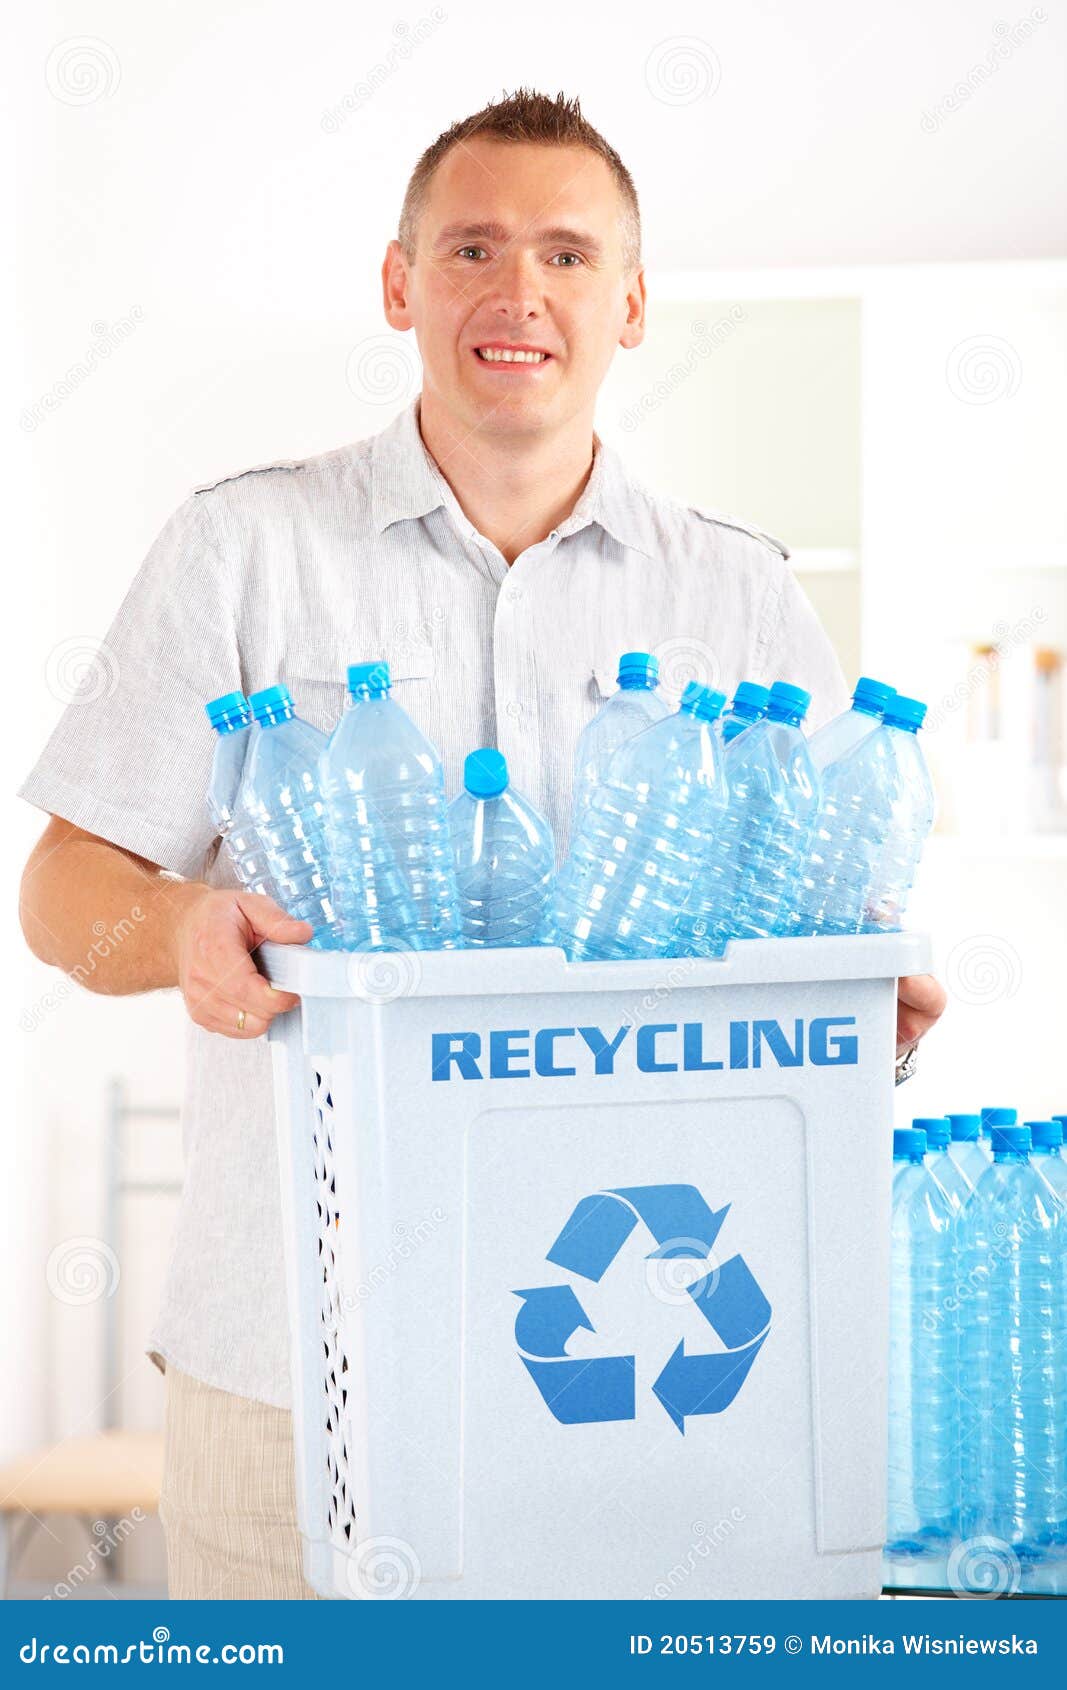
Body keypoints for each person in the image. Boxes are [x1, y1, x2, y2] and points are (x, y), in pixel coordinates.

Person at [18, 89, 946, 1599]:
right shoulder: (244, 546)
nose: (520, 293)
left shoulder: (744, 598)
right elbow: (62, 890)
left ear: (632, 304)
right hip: (289, 1365)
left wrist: (869, 1009)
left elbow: (835, 918)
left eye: (570, 256)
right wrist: (181, 926)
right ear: (401, 285)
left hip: (653, 1373)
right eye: (472, 249)